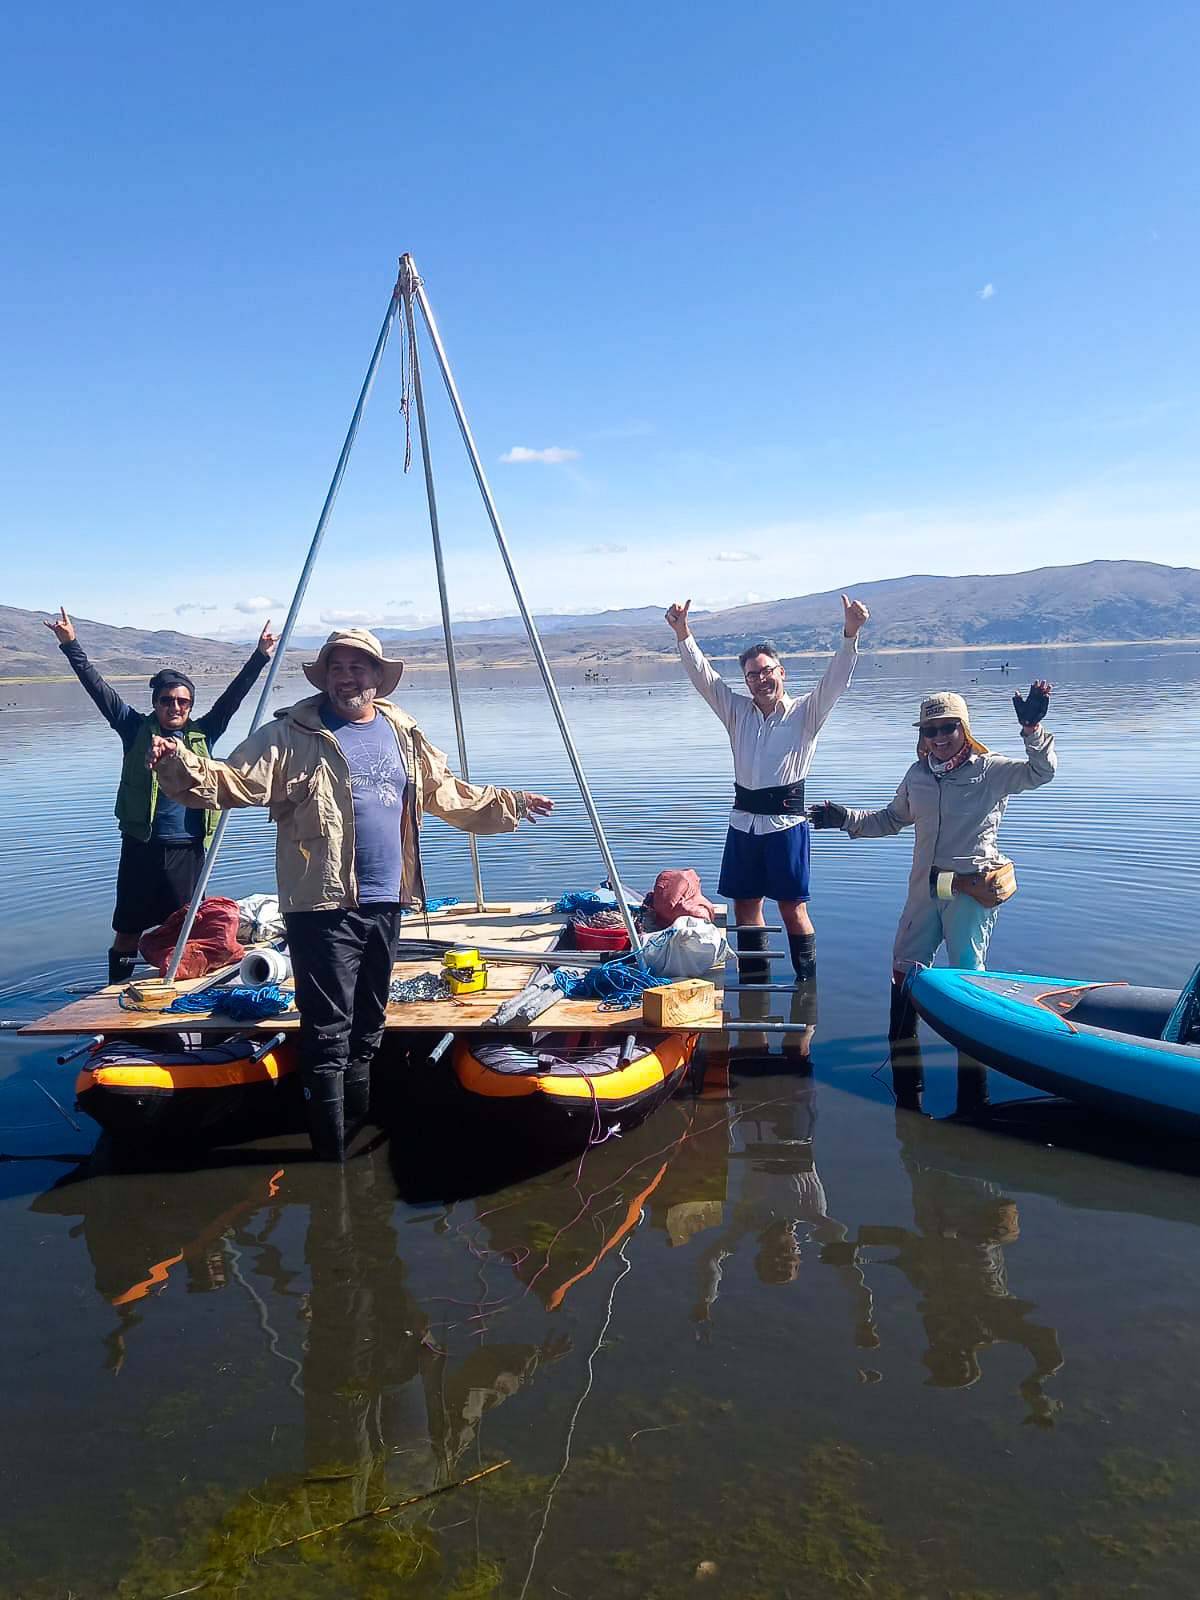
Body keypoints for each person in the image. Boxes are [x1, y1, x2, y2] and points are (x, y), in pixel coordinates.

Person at [146, 627, 554, 1162]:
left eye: (357, 668)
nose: (346, 677)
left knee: (368, 1024)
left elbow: (447, 793)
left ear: (377, 678)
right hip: (321, 904)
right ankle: (329, 1156)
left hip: (387, 900)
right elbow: (232, 781)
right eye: (336, 668)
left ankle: (354, 1134)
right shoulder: (292, 734)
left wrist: (511, 802)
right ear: (326, 677)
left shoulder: (402, 730)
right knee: (328, 1029)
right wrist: (178, 764)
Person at [44, 605, 278, 986]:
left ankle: (173, 995)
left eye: (183, 701)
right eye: (168, 700)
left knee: (185, 931)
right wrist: (71, 644)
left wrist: (260, 656)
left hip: (187, 849)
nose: (175, 707)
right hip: (141, 846)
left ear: (190, 707)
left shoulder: (204, 734)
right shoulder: (133, 729)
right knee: (128, 930)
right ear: (156, 703)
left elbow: (233, 699)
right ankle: (113, 991)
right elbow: (98, 688)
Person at [809, 682, 1055, 1038]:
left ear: (964, 729)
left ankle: (973, 1061)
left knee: (968, 978)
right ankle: (902, 1050)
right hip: (924, 893)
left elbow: (1041, 772)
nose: (939, 737)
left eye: (947, 728)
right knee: (903, 969)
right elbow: (892, 819)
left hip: (970, 893)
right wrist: (844, 817)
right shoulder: (917, 776)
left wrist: (1032, 731)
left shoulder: (991, 770)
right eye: (930, 730)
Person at [665, 594, 870, 982]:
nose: (761, 680)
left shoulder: (806, 713)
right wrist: (683, 634)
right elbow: (704, 678)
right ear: (746, 681)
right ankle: (755, 985)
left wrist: (851, 633)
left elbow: (837, 680)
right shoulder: (736, 712)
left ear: (782, 672)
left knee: (793, 910)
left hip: (786, 827)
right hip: (743, 825)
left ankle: (806, 986)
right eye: (752, 675)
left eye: (766, 671)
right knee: (745, 907)